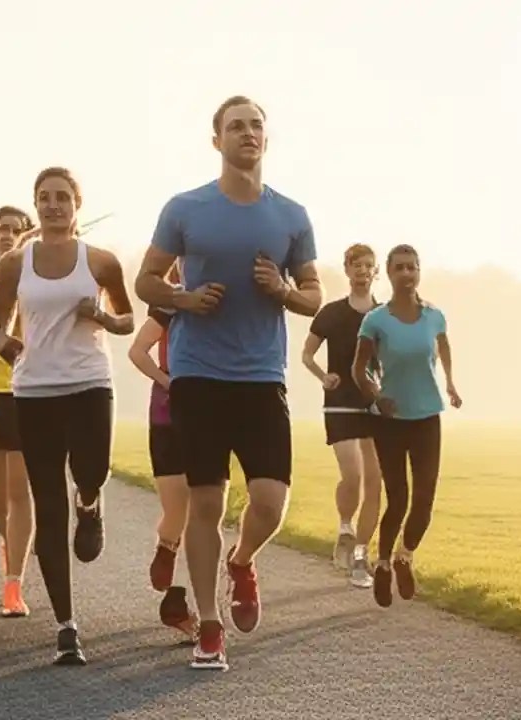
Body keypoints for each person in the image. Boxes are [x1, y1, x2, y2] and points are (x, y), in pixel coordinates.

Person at [134, 96, 322, 670]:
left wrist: (281, 291)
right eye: (235, 125)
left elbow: (314, 298)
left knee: (270, 503)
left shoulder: (291, 215)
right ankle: (209, 625)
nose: (247, 133)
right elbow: (145, 281)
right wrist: (184, 298)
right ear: (216, 140)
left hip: (263, 376)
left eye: (255, 125)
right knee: (207, 502)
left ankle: (242, 562)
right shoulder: (185, 208)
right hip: (198, 375)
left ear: (268, 139)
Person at [0, 167, 135, 666]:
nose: (53, 206)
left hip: (90, 382)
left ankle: (90, 502)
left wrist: (100, 316)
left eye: (61, 198)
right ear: (36, 205)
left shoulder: (100, 261)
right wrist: (7, 345)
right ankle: (66, 627)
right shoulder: (15, 264)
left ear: (77, 204)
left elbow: (127, 319)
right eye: (44, 198)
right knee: (47, 505)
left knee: (91, 470)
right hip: (36, 390)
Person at [351, 244, 461, 609]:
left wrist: (450, 383)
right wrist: (374, 393)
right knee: (398, 498)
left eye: (412, 267)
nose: (406, 274)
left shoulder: (435, 316)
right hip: (390, 420)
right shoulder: (376, 320)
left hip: (427, 416)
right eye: (399, 268)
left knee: (425, 502)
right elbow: (359, 368)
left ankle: (404, 556)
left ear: (419, 271)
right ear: (390, 272)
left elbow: (443, 349)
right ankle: (382, 563)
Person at [300, 243, 383, 589]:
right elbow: (307, 355)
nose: (363, 271)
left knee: (376, 481)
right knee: (352, 475)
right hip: (340, 403)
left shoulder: (385, 316)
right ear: (347, 270)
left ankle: (361, 557)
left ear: (376, 272)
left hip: (375, 405)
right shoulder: (331, 313)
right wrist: (324, 377)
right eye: (356, 265)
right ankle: (345, 526)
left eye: (369, 266)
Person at [126, 262, 196, 642]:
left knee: (203, 510)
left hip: (211, 415)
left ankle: (180, 604)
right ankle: (167, 547)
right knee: (178, 508)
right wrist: (167, 381)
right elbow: (137, 352)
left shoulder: (224, 301)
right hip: (168, 416)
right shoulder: (167, 305)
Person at [0, 206, 35, 619]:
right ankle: (8, 543)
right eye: (2, 229)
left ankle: (14, 582)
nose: (8, 235)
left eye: (16, 230)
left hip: (22, 394)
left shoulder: (36, 281)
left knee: (20, 494)